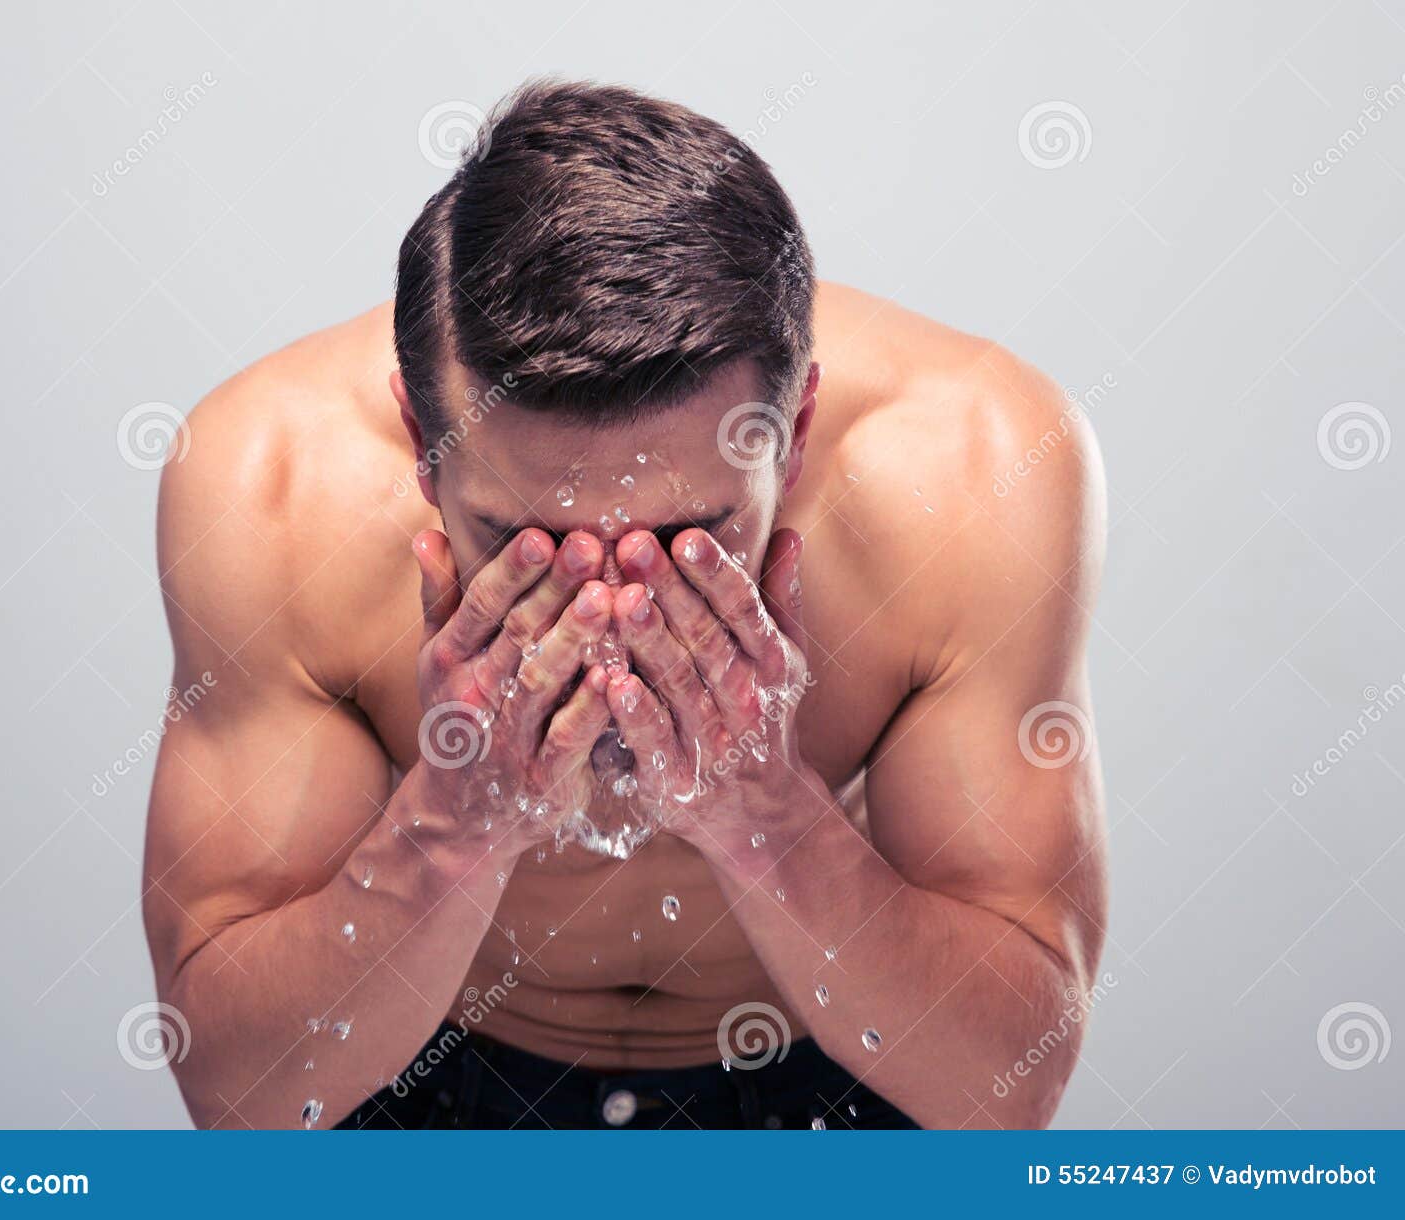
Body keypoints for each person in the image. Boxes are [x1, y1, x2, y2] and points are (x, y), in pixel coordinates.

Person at [141, 79, 1108, 1130]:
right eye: (525, 544)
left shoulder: (974, 467)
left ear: (792, 433)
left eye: (691, 538)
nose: (610, 618)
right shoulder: (271, 484)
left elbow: (1005, 1092)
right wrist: (451, 829)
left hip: (849, 1059)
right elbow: (241, 1098)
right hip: (417, 1061)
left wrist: (766, 817)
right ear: (422, 441)